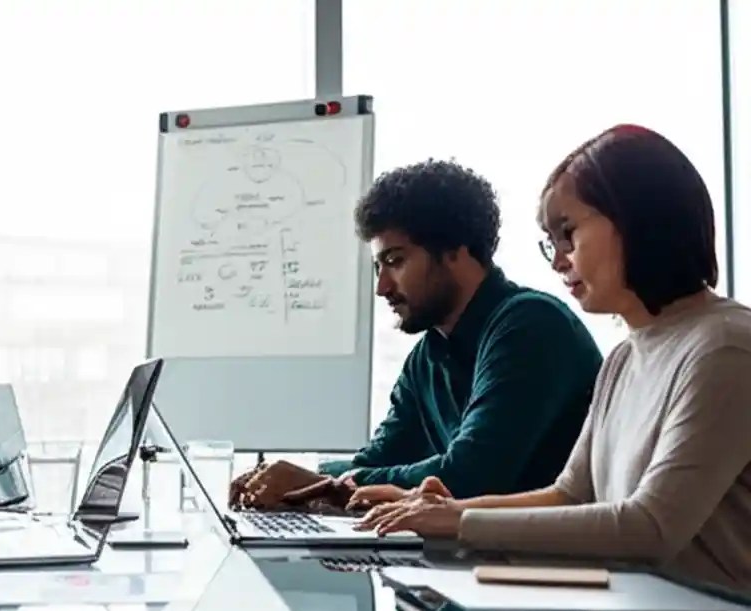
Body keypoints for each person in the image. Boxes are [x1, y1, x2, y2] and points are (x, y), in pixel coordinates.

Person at [359, 125, 751, 590]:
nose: (559, 260)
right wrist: (443, 511)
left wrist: (460, 523)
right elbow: (569, 494)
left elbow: (651, 528)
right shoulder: (625, 358)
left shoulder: (724, 346)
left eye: (568, 234)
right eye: (552, 243)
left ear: (637, 220)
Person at [231, 159, 602, 511]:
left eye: (395, 261)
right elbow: (379, 460)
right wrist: (292, 481)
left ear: (457, 250)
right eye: (379, 266)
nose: (382, 287)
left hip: (553, 566)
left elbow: (467, 476)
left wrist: (334, 485)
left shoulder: (530, 325)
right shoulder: (428, 355)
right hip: (480, 557)